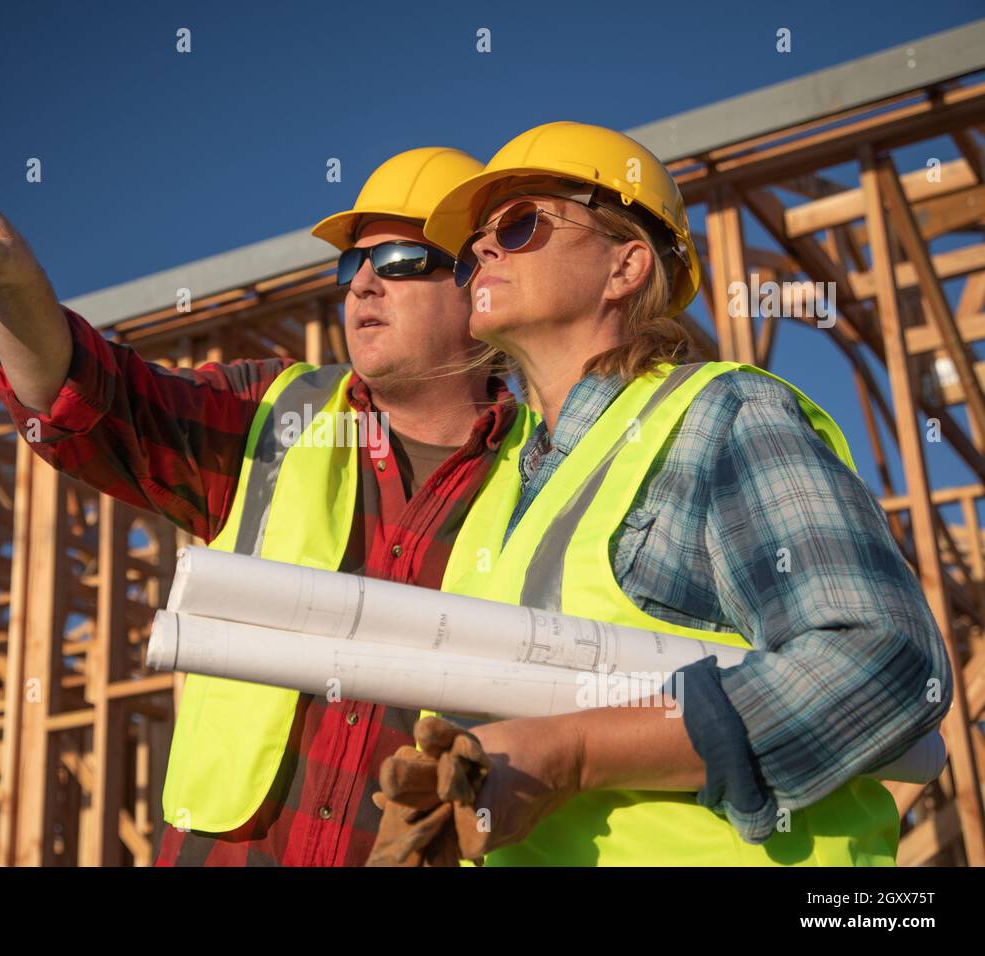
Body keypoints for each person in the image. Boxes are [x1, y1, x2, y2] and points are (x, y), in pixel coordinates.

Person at [0, 137, 537, 866]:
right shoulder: (274, 417)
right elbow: (87, 398)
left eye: (399, 262)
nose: (362, 286)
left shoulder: (552, 469)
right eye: (353, 264)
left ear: (477, 285)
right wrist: (10, 287)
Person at [406, 120, 953, 865]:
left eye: (521, 223)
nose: (482, 251)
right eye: (475, 245)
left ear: (625, 266)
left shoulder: (719, 417)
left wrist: (575, 754)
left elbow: (883, 660)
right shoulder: (495, 493)